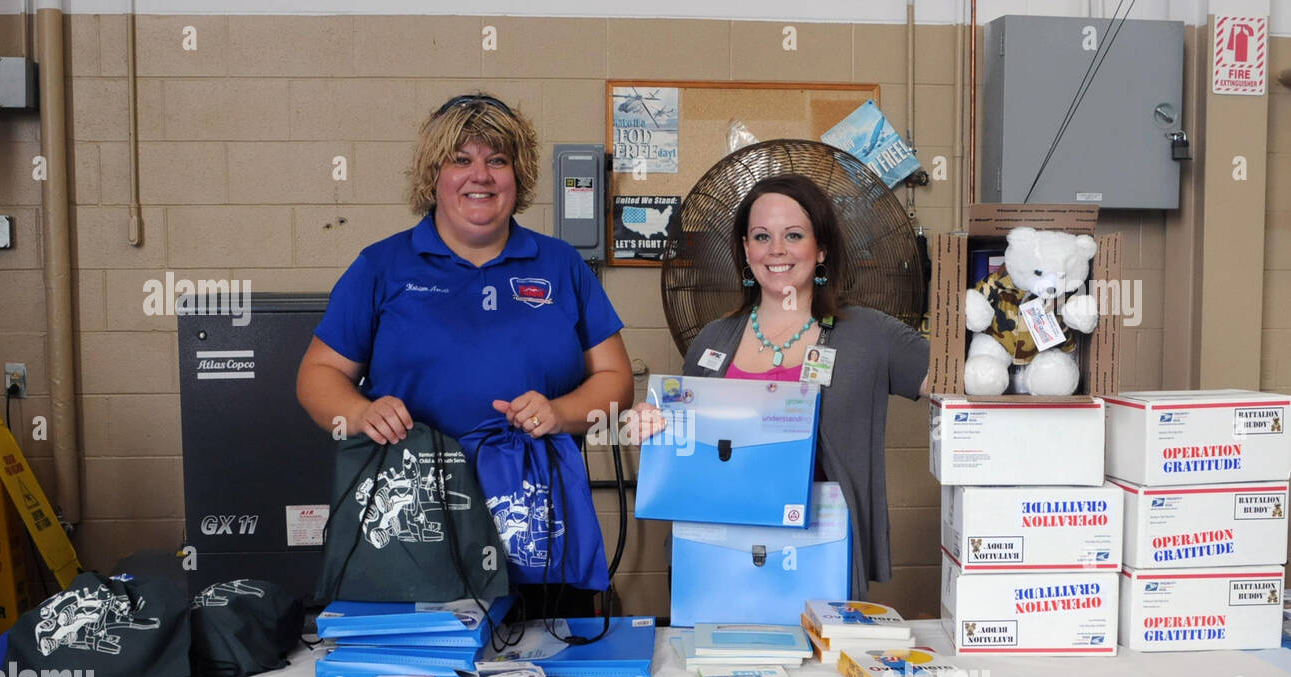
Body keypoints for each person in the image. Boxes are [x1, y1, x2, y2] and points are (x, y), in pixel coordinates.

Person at [297, 93, 633, 614]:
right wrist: (362, 412)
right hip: (419, 516)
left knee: (544, 667)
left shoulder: (561, 264)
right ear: (433, 175)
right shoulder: (382, 266)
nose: (481, 175)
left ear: (517, 176)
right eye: (461, 160)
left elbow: (615, 377)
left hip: (535, 510)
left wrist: (560, 412)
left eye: (497, 160)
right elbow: (318, 375)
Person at [637, 174, 930, 600]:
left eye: (794, 235)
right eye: (761, 236)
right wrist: (653, 423)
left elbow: (966, 382)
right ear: (745, 249)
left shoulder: (870, 335)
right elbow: (688, 440)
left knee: (820, 665)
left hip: (821, 550)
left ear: (822, 247)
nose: (776, 250)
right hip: (715, 556)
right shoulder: (711, 342)